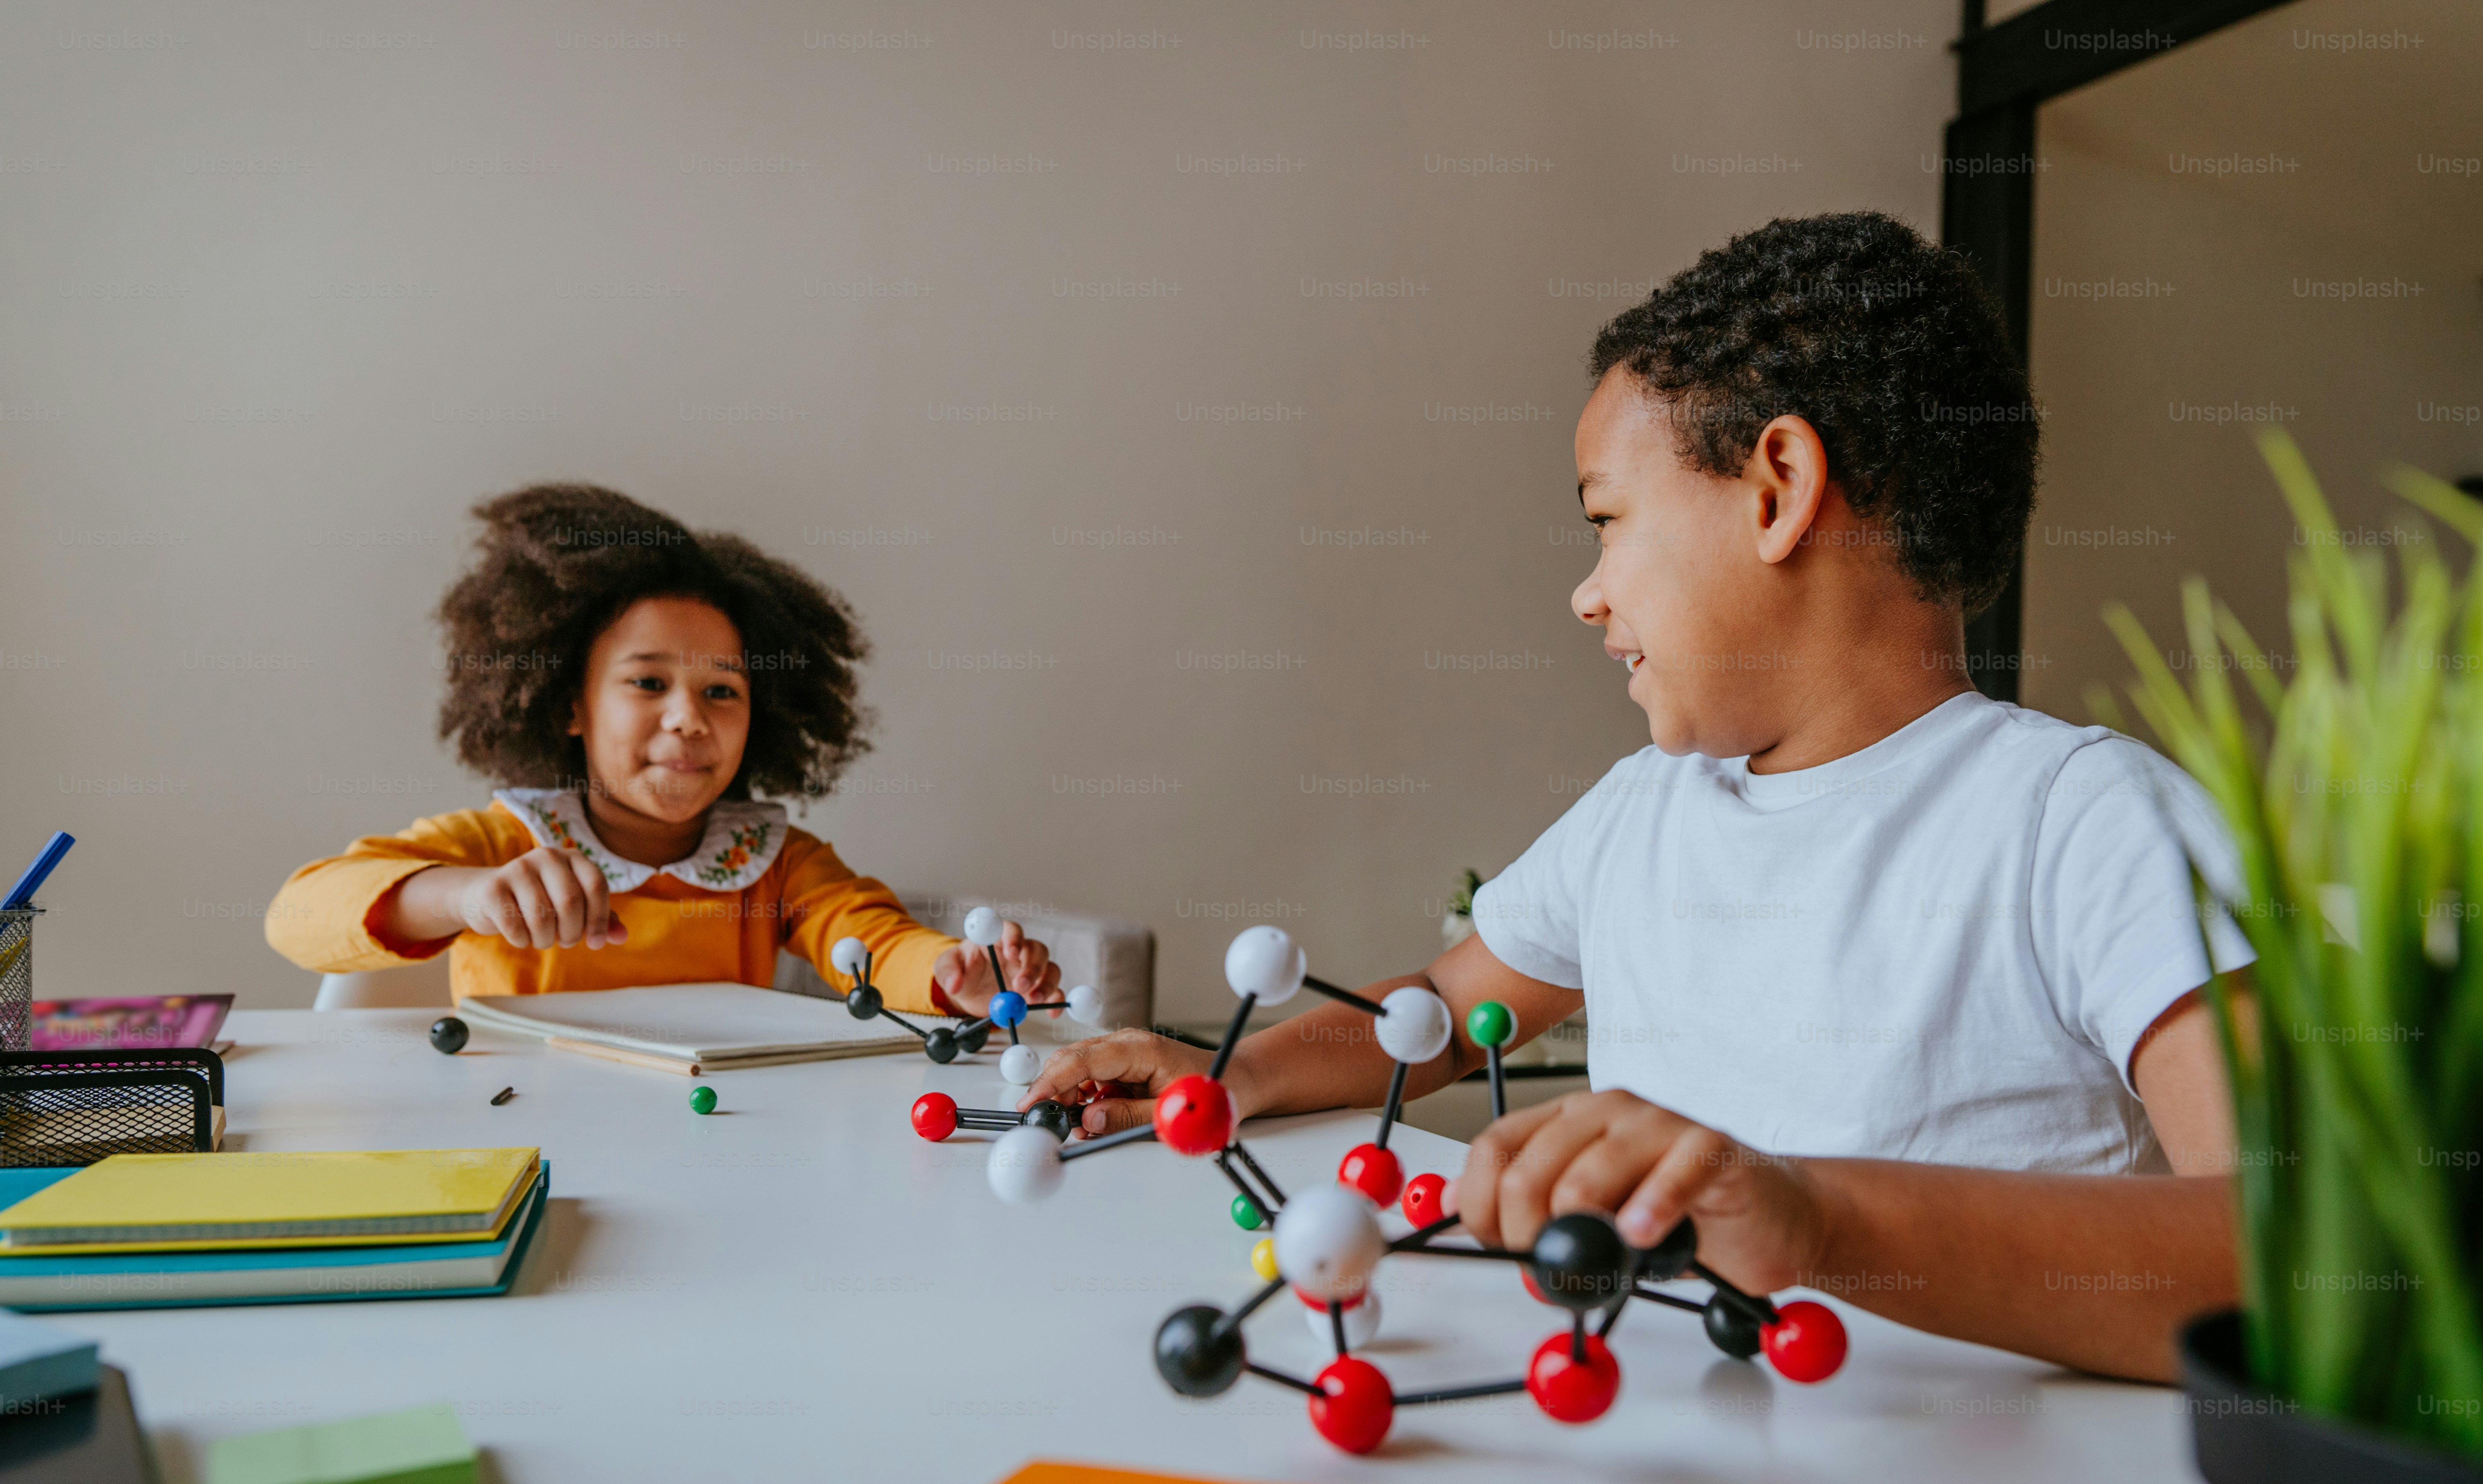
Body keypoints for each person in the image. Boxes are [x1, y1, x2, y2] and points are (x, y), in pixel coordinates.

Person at [1019, 212, 2248, 1383]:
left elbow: (2306, 1258)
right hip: (1646, 1454)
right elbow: (1440, 1014)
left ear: (1778, 487)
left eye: (1608, 523)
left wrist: (1812, 1218)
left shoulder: (2084, 826)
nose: (1587, 595)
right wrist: (1233, 1076)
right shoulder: (1644, 811)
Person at [267, 483, 1056, 1018]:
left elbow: (876, 943)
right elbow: (297, 915)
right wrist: (467, 897)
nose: (688, 720)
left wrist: (953, 974)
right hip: (523, 1134)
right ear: (571, 705)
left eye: (723, 692)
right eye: (648, 684)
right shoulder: (506, 843)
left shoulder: (775, 861)